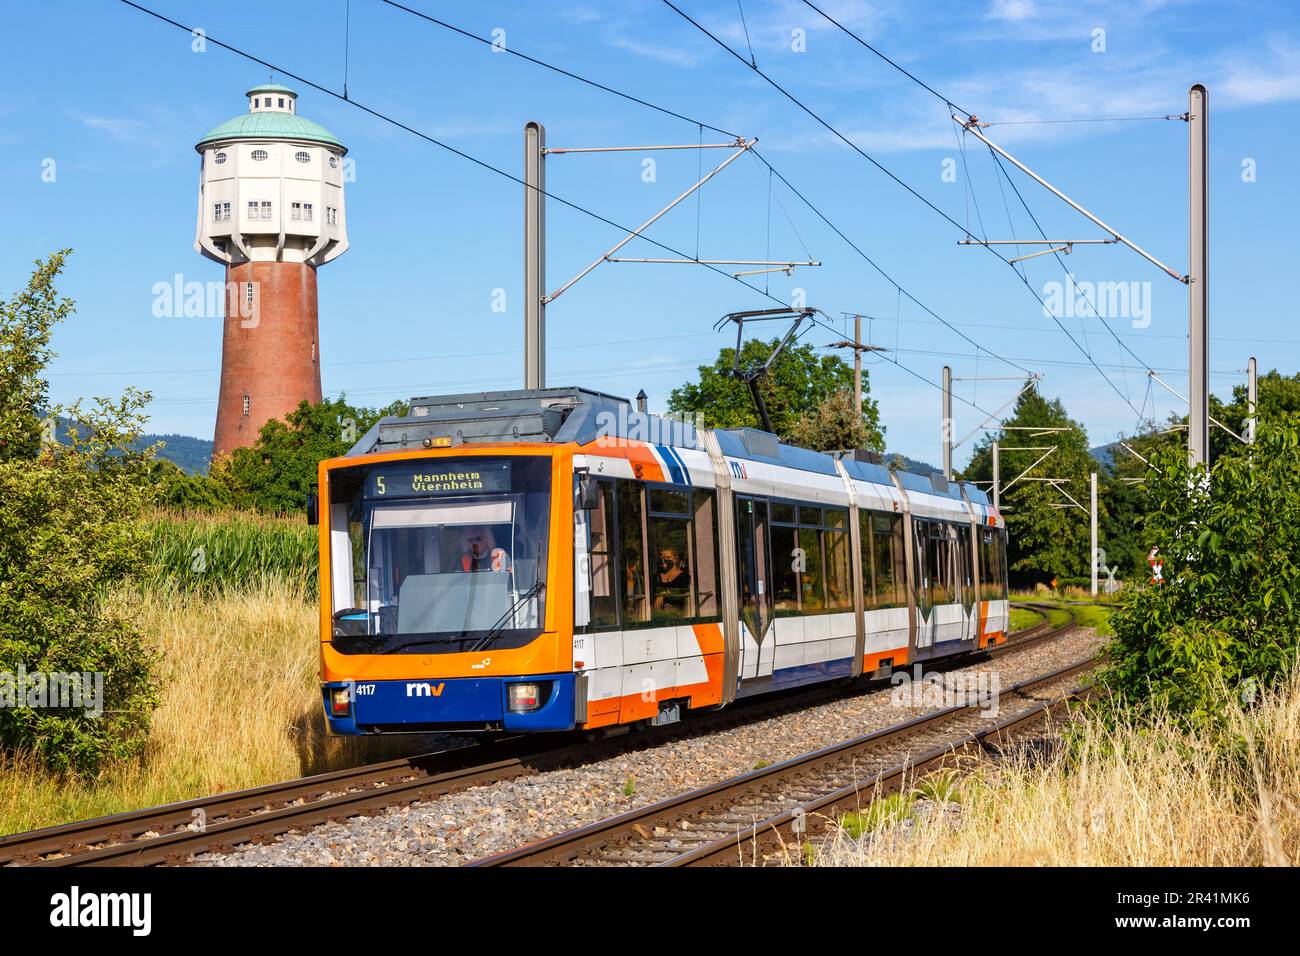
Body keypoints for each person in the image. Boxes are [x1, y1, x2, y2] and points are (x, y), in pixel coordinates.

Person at [653, 546, 691, 615]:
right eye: (662, 558)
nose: (665, 560)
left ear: (675, 558)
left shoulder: (683, 576)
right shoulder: (657, 576)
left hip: (676, 613)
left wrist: (664, 594)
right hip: (658, 613)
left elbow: (683, 591)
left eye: (668, 557)